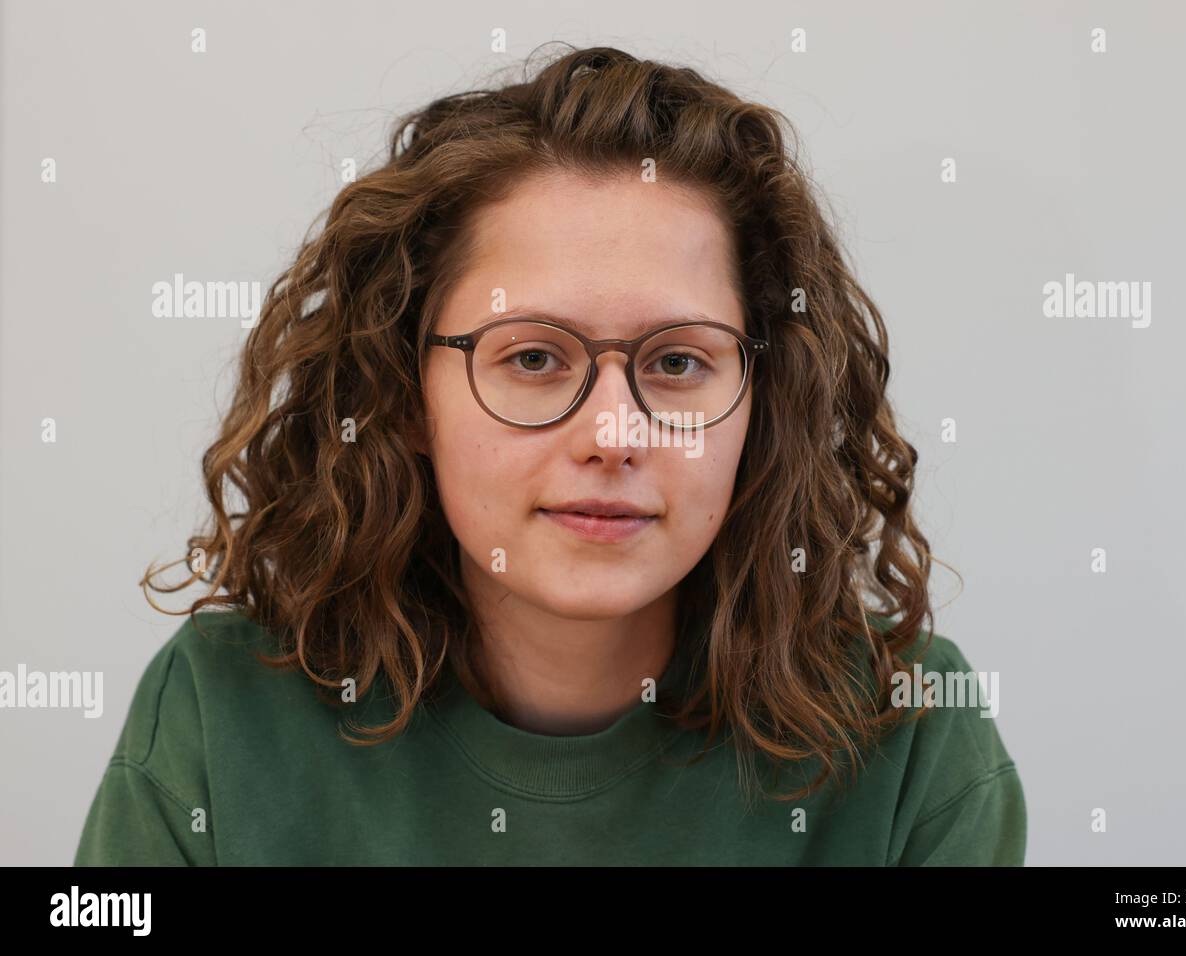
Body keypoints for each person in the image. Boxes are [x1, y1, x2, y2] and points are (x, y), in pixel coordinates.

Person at [75, 43, 1026, 865]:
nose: (612, 436)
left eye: (678, 362)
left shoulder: (911, 736)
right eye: (532, 358)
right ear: (405, 395)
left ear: (764, 401)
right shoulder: (220, 715)